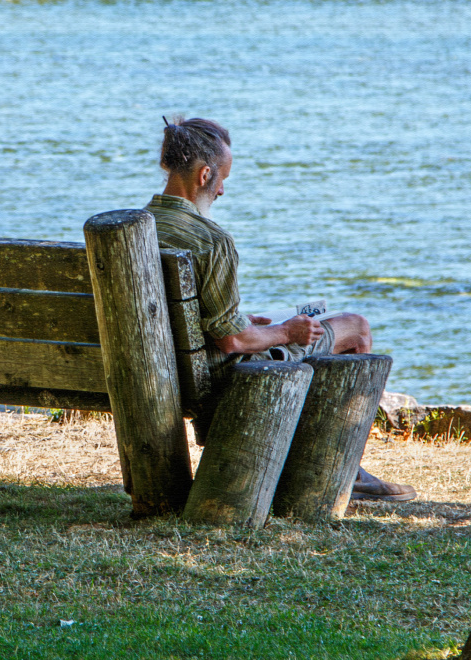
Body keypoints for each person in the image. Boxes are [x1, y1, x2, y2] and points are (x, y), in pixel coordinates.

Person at [144, 116, 416, 504]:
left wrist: (246, 325)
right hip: (211, 377)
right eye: (222, 179)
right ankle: (348, 470)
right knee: (354, 326)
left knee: (288, 330)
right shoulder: (213, 240)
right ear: (205, 175)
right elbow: (233, 340)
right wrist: (288, 333)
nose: (222, 191)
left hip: (158, 372)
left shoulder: (141, 226)